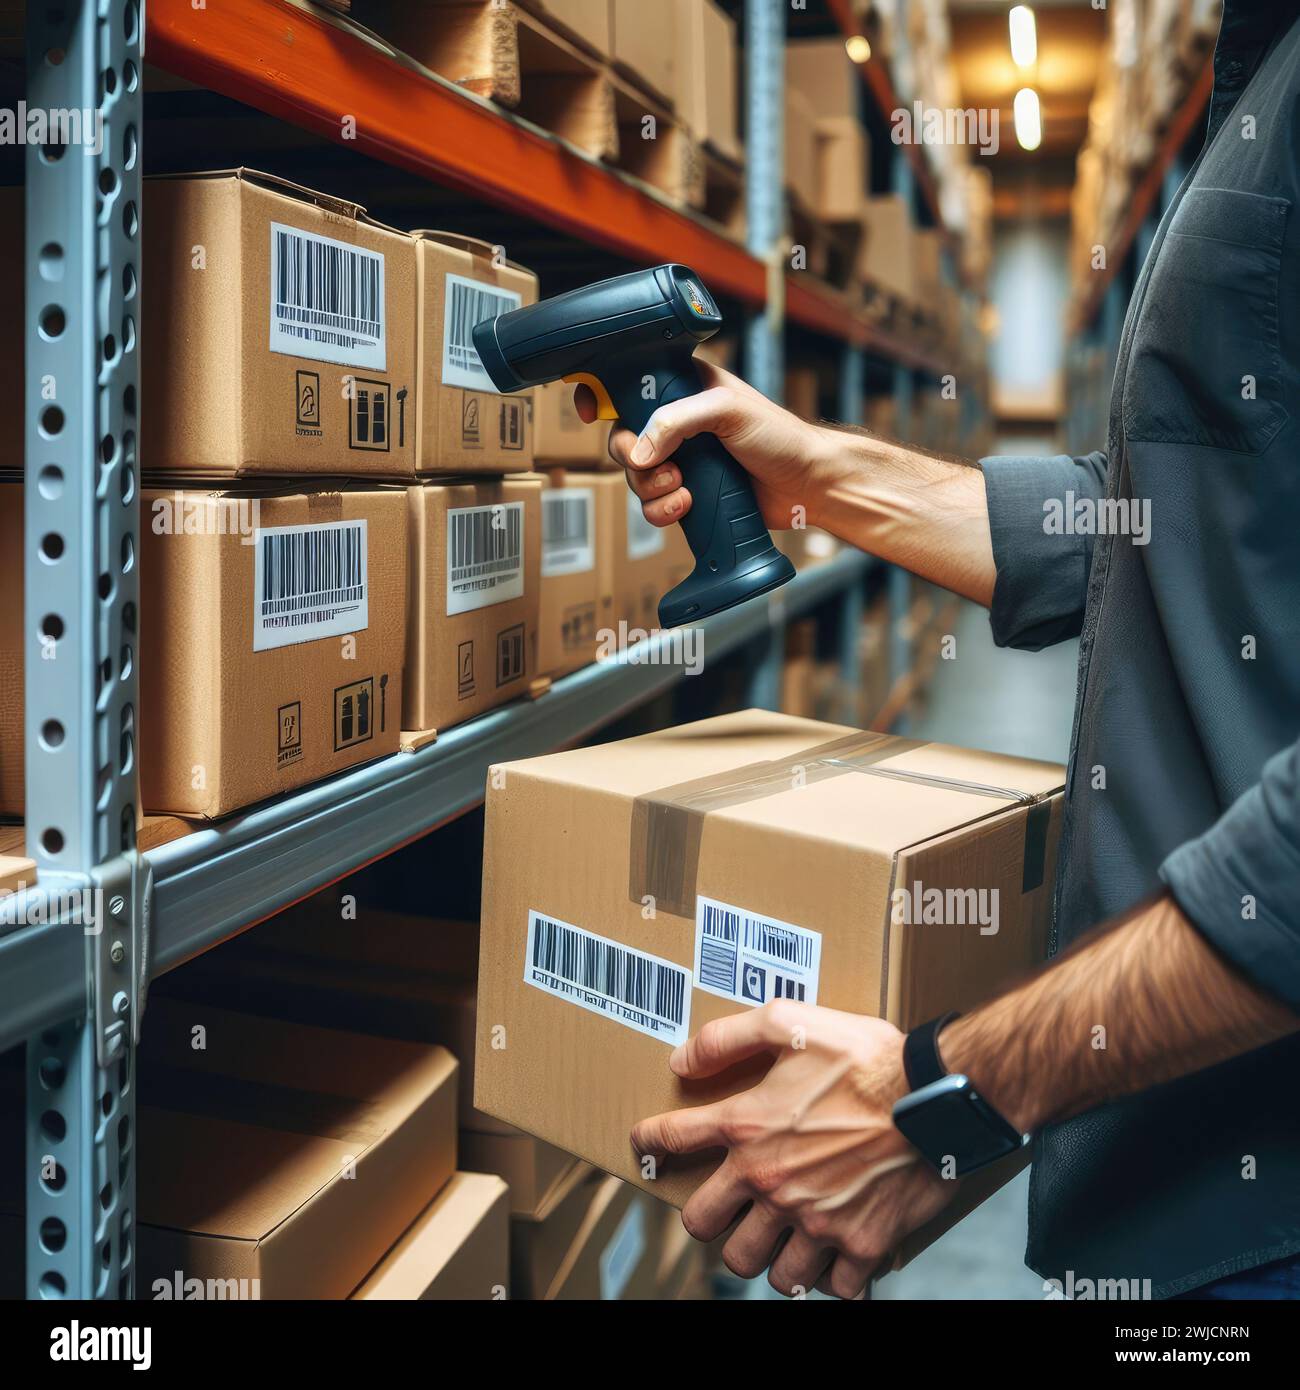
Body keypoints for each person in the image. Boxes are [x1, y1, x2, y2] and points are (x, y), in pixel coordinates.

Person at [574, 0, 1300, 1302]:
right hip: (1183, 1168)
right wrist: (817, 472)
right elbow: (1181, 524)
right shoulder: (1262, 75)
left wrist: (943, 1097)